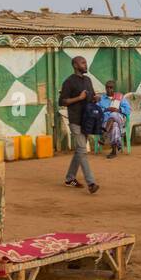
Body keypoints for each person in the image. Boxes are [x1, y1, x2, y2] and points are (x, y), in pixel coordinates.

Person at [58, 56, 98, 193]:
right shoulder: (69, 82)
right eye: (83, 62)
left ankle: (70, 178)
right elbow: (62, 101)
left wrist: (95, 98)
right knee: (82, 150)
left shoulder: (88, 80)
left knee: (79, 151)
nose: (85, 65)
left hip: (87, 120)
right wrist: (78, 98)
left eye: (85, 62)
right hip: (75, 120)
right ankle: (91, 182)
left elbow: (91, 97)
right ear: (75, 65)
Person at [99, 80, 131, 159]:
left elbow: (128, 110)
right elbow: (97, 111)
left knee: (114, 114)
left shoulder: (120, 97)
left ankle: (104, 135)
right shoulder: (101, 99)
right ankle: (113, 151)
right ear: (105, 88)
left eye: (111, 88)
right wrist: (107, 109)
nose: (109, 89)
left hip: (119, 119)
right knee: (114, 125)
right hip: (106, 122)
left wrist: (119, 110)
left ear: (114, 88)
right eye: (107, 88)